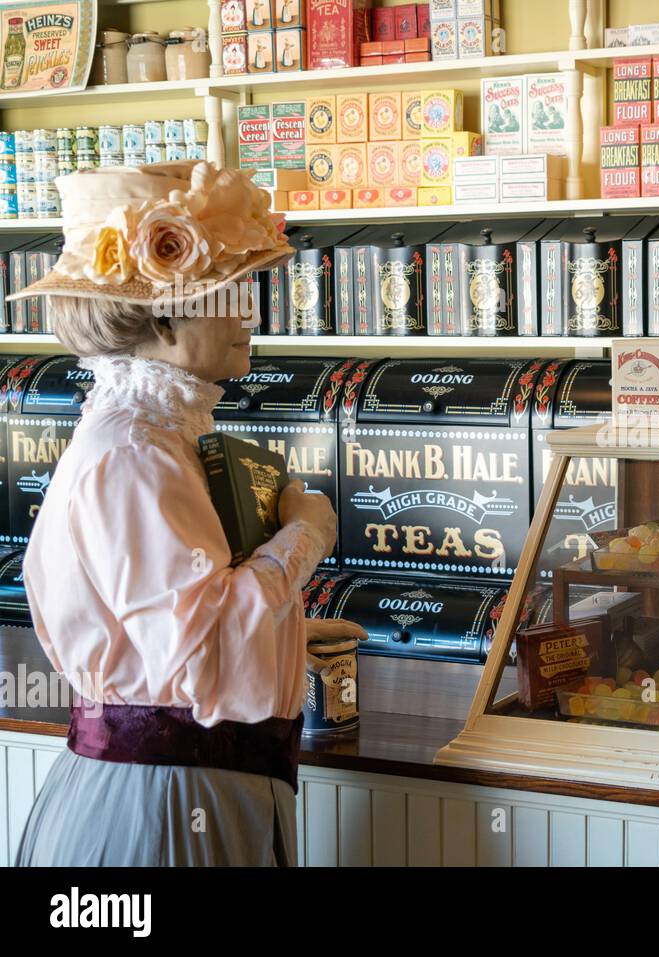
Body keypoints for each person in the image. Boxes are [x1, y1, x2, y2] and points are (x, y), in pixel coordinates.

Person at [9, 161, 364, 866]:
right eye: (230, 290)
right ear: (162, 311)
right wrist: (307, 534)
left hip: (188, 791)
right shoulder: (136, 452)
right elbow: (199, 649)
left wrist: (286, 630)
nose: (248, 313)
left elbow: (164, 636)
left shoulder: (156, 434)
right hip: (163, 810)